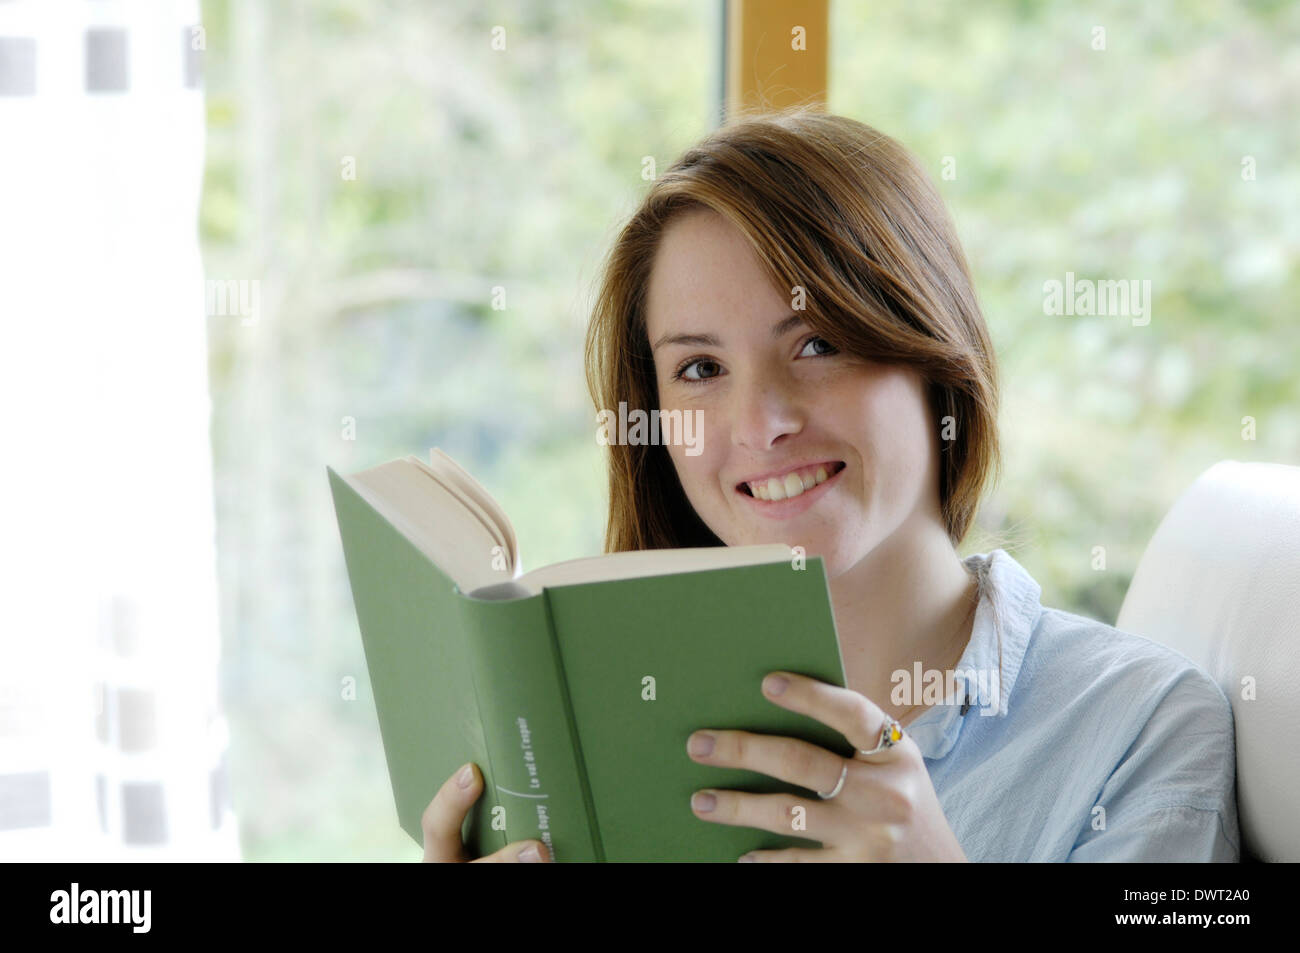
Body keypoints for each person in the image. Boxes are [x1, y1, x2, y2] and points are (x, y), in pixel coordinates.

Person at [421, 108, 1240, 863]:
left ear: (932, 355)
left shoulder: (1145, 729)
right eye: (700, 368)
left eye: (815, 344)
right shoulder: (596, 747)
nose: (761, 422)